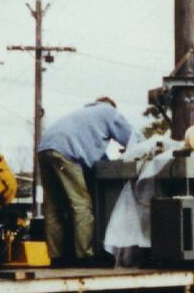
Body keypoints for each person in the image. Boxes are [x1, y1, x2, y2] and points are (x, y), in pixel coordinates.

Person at [36, 97, 140, 264]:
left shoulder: (84, 116)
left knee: (53, 208)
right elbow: (134, 139)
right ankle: (85, 256)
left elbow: (97, 156)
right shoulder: (108, 111)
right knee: (81, 205)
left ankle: (57, 258)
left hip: (44, 149)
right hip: (66, 152)